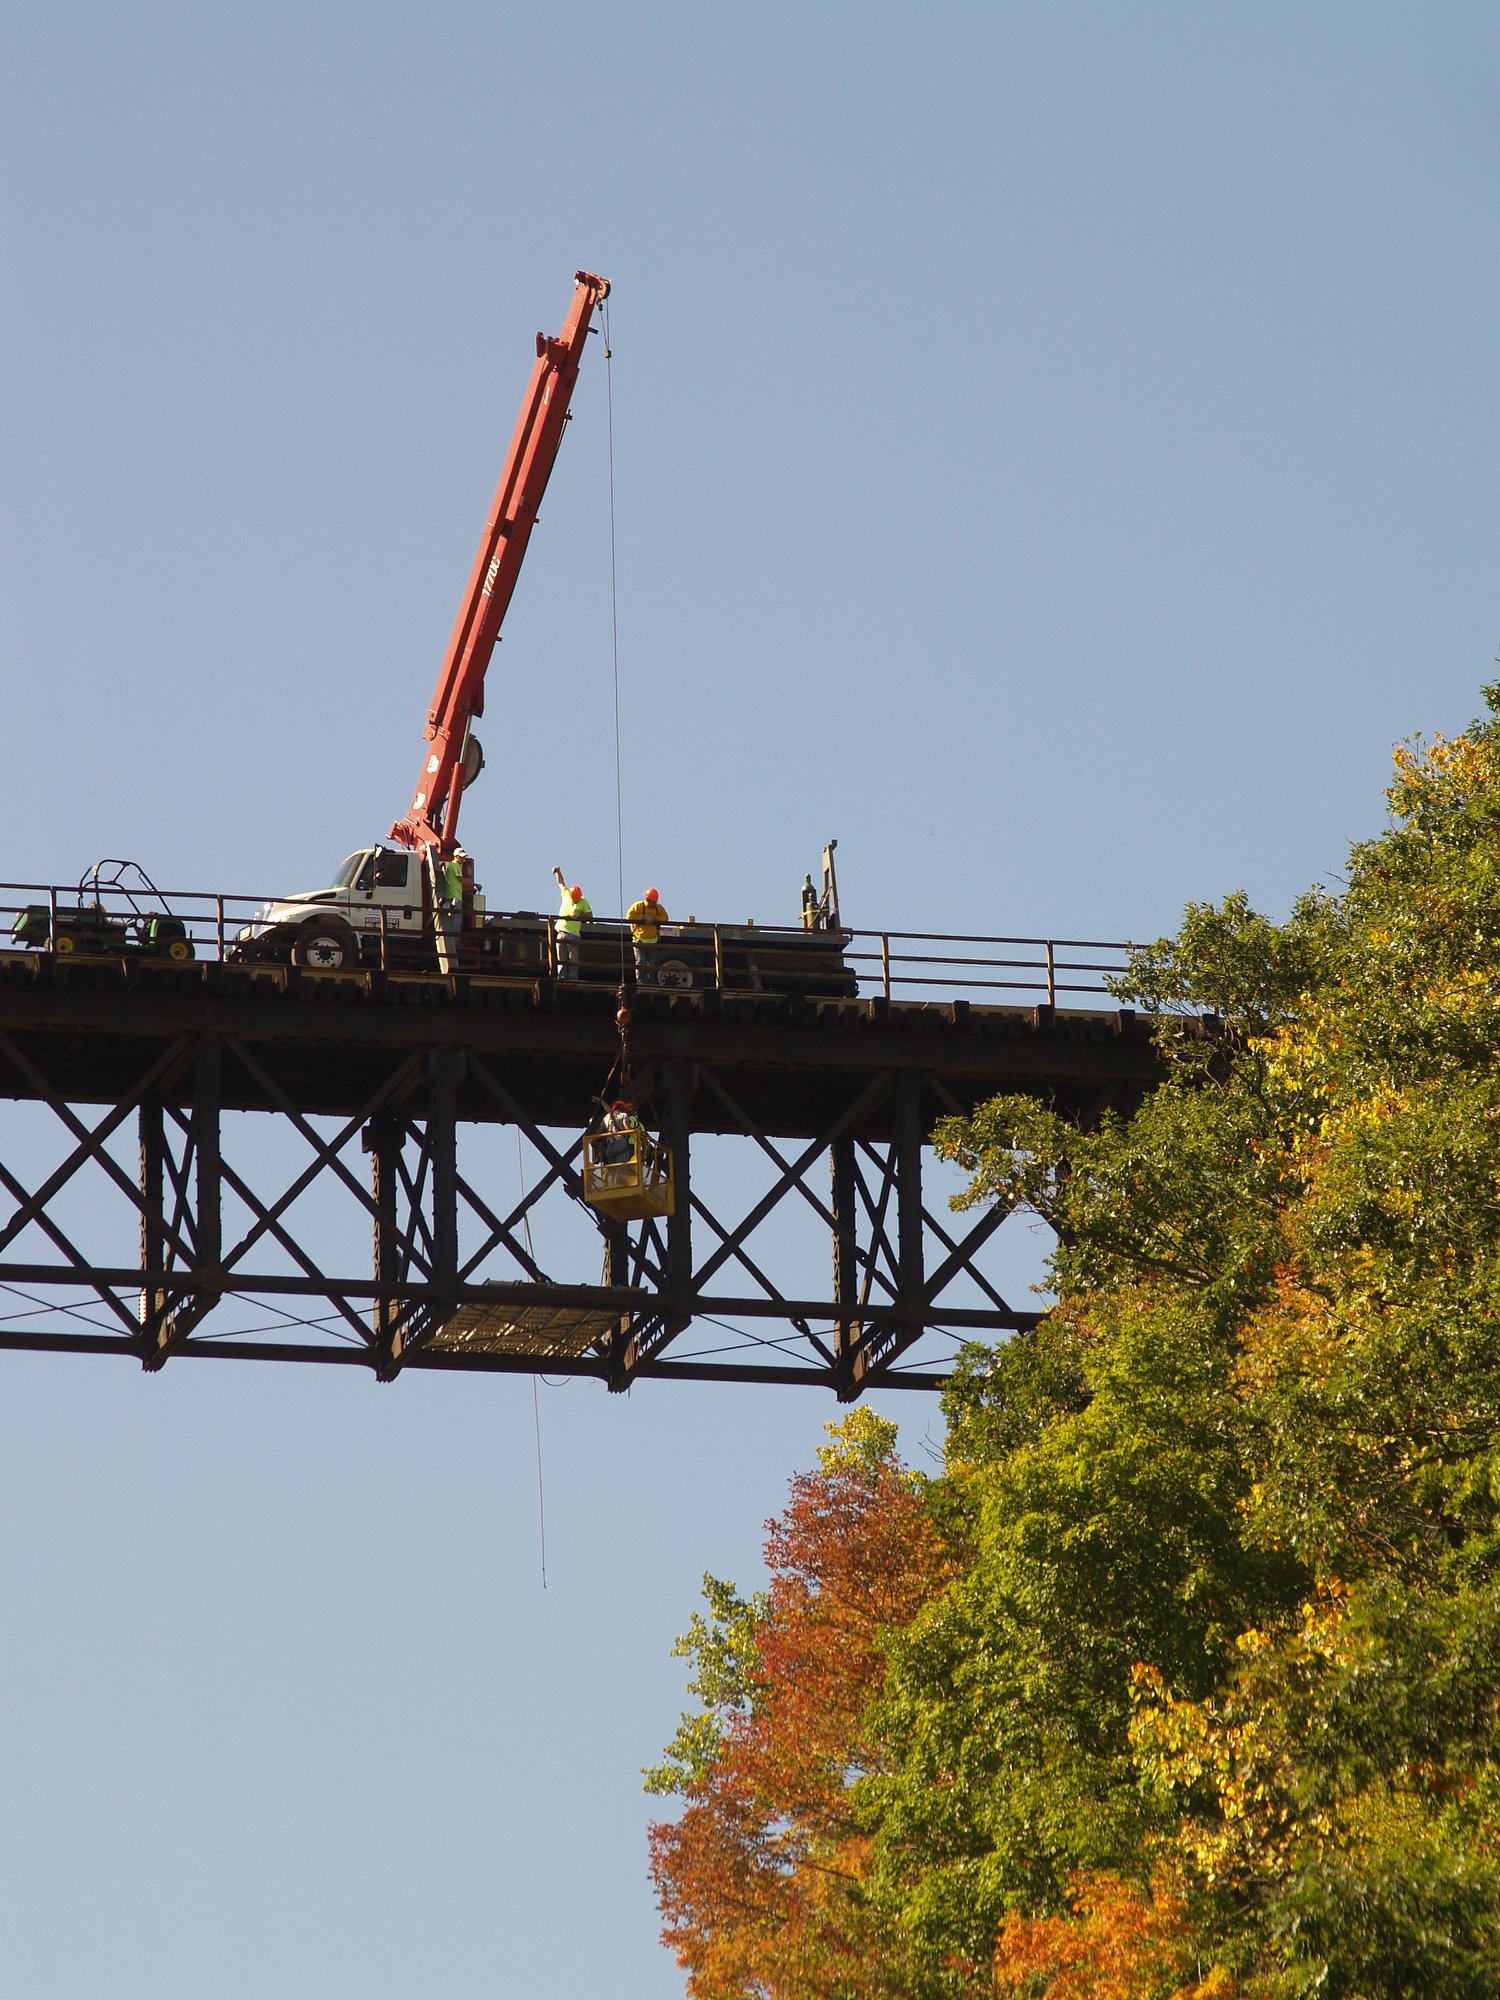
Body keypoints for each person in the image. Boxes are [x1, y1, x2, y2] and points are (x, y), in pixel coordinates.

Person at [551, 865, 592, 980]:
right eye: (574, 898)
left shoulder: (583, 901)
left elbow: (590, 916)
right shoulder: (567, 895)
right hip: (561, 931)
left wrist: (580, 915)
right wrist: (558, 872)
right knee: (561, 959)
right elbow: (561, 883)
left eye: (577, 899)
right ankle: (562, 978)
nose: (575, 900)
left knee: (573, 960)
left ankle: (573, 979)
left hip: (574, 934)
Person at [626, 885, 668, 986]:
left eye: (655, 902)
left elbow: (665, 918)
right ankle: (641, 983)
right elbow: (629, 917)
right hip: (639, 939)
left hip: (652, 940)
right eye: (652, 901)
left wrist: (654, 919)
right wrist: (643, 917)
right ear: (647, 899)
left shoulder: (658, 908)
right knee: (641, 962)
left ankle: (651, 983)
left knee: (651, 964)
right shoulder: (638, 906)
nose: (653, 903)